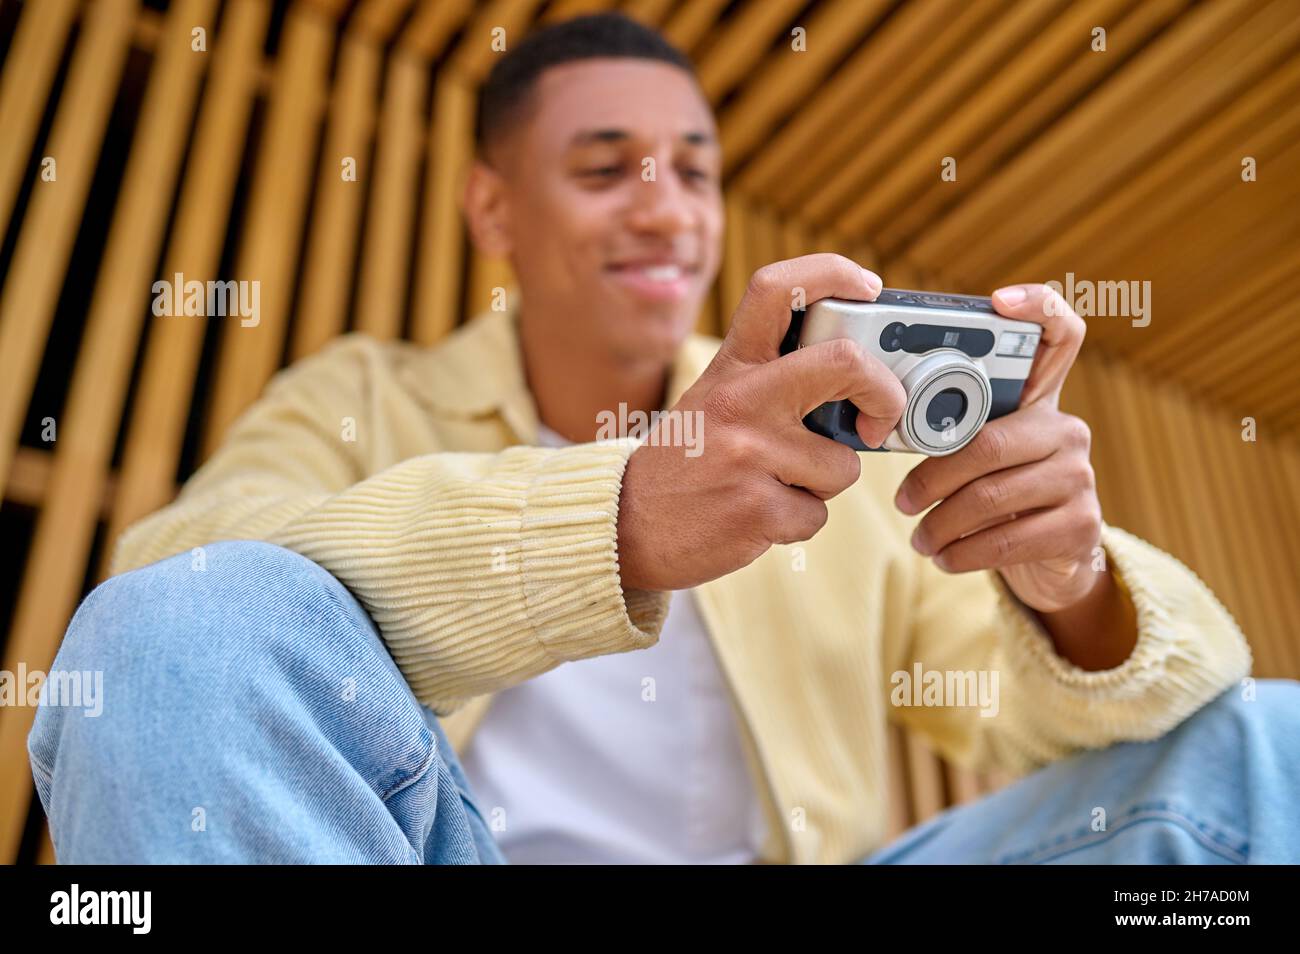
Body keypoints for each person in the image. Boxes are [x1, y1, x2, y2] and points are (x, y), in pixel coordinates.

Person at [29, 13, 1299, 864]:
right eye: (606, 167)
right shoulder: (357, 395)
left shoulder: (836, 426)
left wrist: (1068, 586)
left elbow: (1055, 735)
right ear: (490, 206)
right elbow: (178, 587)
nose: (668, 209)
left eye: (694, 170)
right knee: (177, 629)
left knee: (1265, 744)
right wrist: (621, 516)